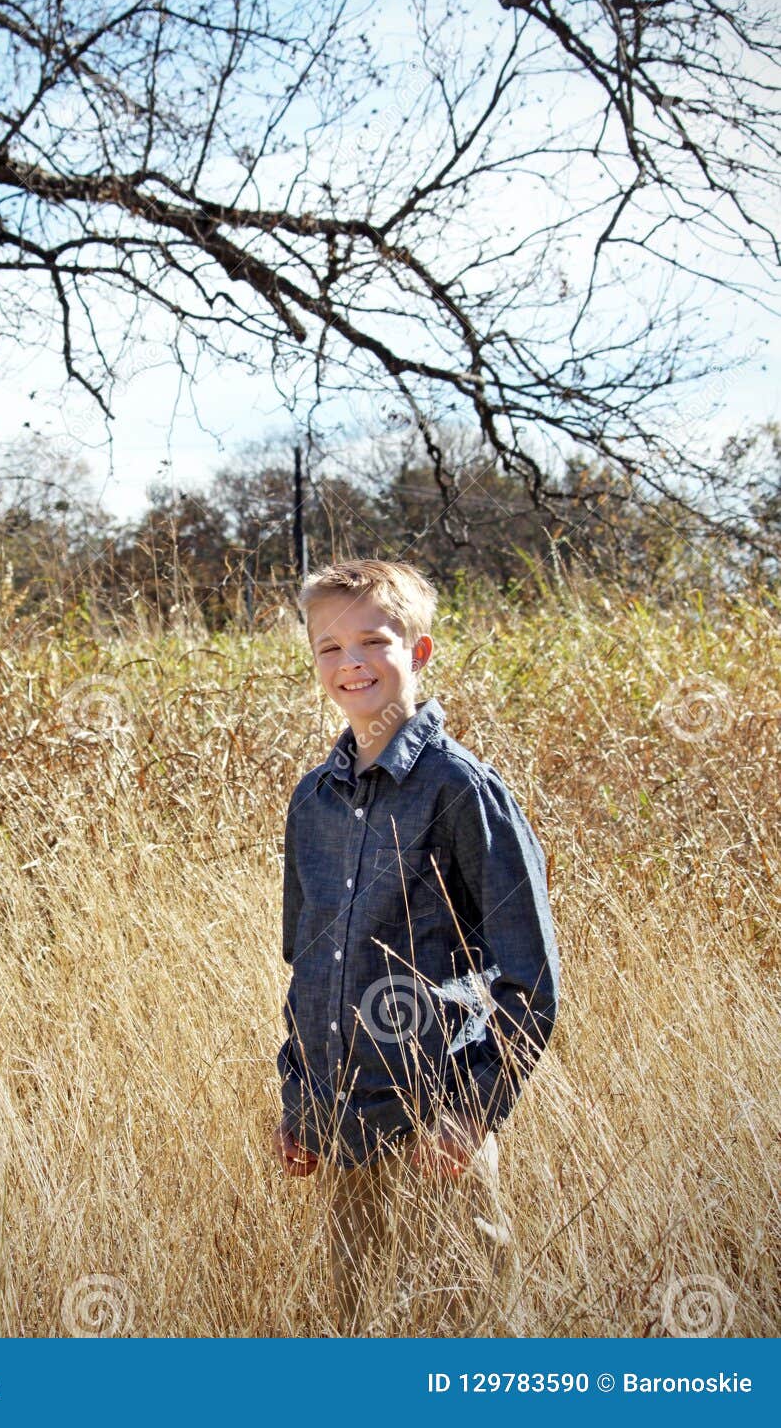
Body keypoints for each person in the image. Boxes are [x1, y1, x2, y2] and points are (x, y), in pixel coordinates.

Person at [272, 559, 560, 1336]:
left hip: (439, 1127)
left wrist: (470, 1112)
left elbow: (528, 977)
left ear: (419, 652)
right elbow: (309, 964)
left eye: (372, 640)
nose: (350, 662)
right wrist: (298, 1094)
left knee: (462, 1326)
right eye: (328, 647)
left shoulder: (460, 789)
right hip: (341, 1122)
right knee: (358, 1326)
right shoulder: (313, 800)